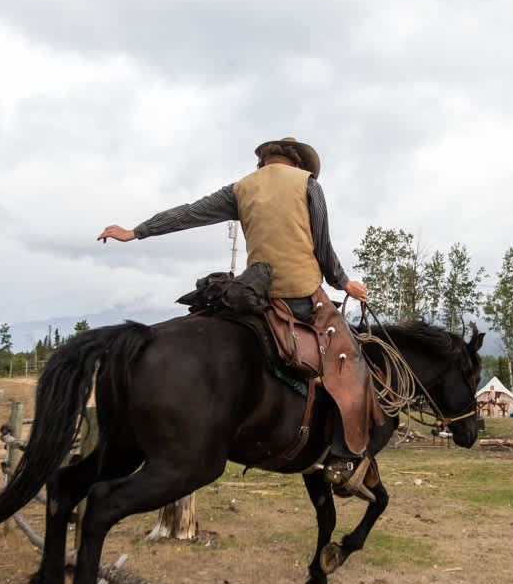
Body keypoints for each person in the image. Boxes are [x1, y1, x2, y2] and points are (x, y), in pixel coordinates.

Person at [98, 137, 380, 491]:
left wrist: (136, 232)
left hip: (256, 294)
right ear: (298, 163)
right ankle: (342, 454)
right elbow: (322, 247)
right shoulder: (309, 185)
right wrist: (343, 283)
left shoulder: (241, 188)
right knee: (349, 356)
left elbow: (189, 213)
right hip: (301, 296)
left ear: (264, 160)